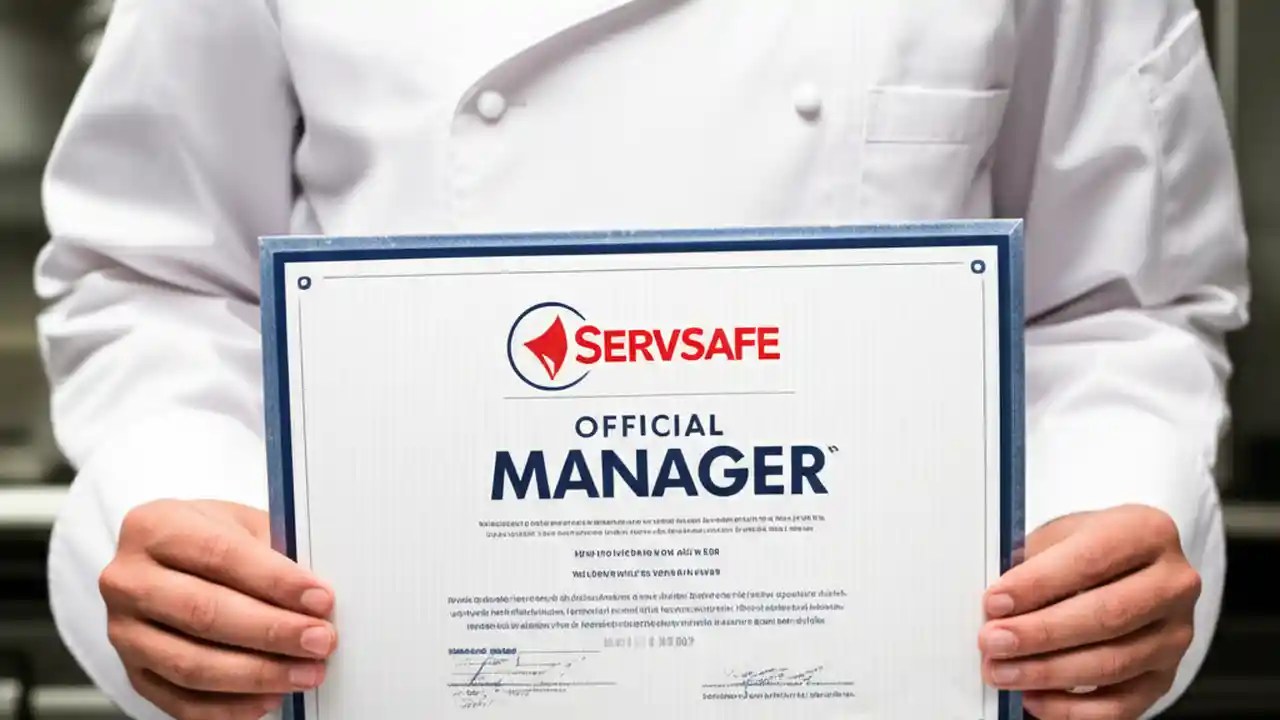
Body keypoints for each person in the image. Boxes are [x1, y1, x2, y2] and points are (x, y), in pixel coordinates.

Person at [36, 1, 1248, 718]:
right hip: (390, 677)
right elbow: (157, 270)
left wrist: (1104, 530)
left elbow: (1116, 300)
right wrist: (186, 519)